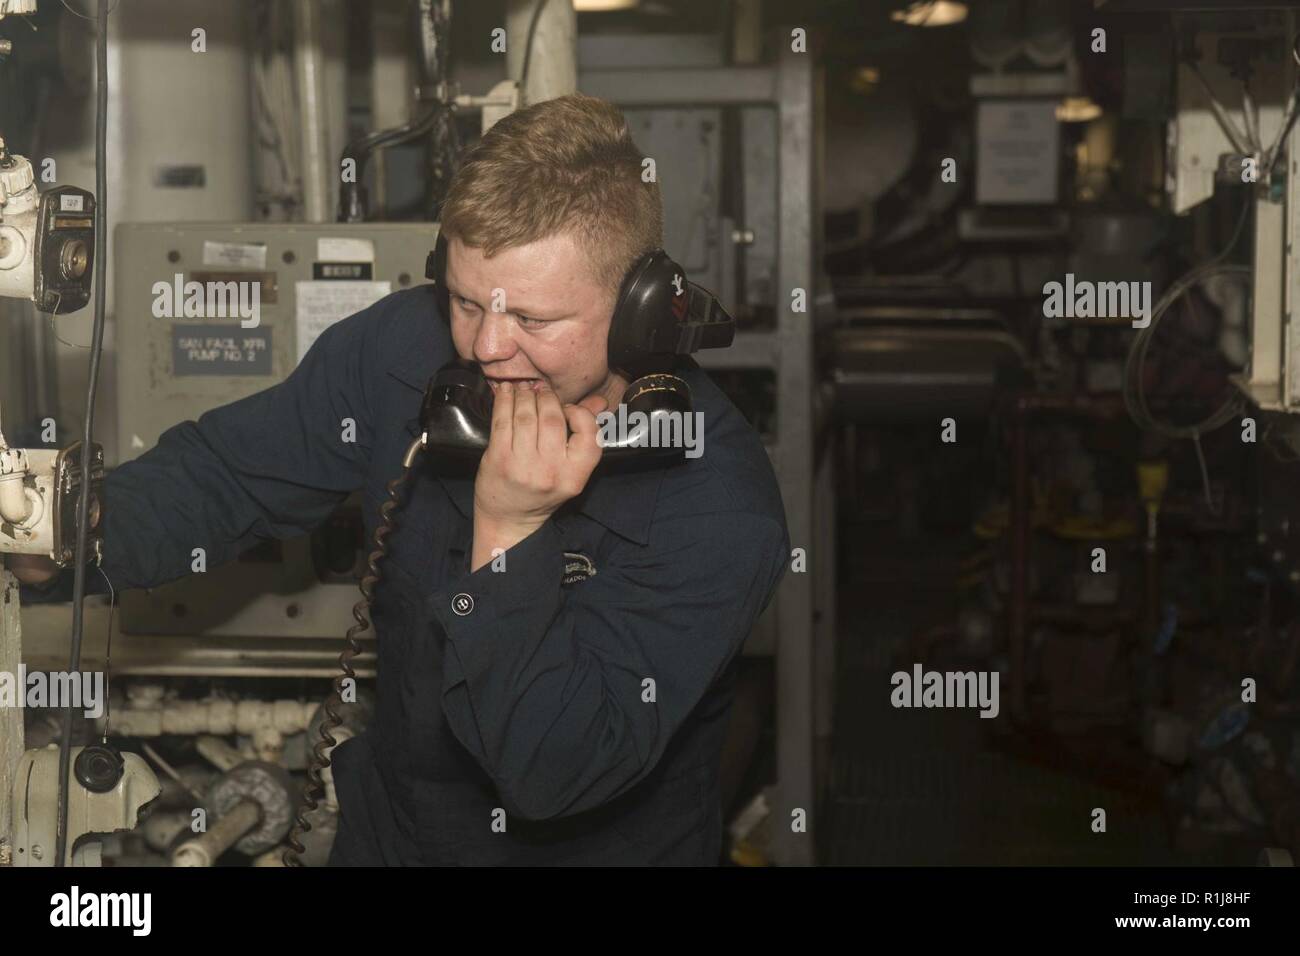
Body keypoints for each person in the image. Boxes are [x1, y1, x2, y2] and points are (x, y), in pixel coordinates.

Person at [6, 93, 790, 865]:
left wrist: (510, 535)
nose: (484, 346)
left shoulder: (714, 504)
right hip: (396, 834)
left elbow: (557, 770)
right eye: (464, 299)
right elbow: (229, 475)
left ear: (641, 314)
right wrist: (79, 531)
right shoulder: (403, 349)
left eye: (531, 321)